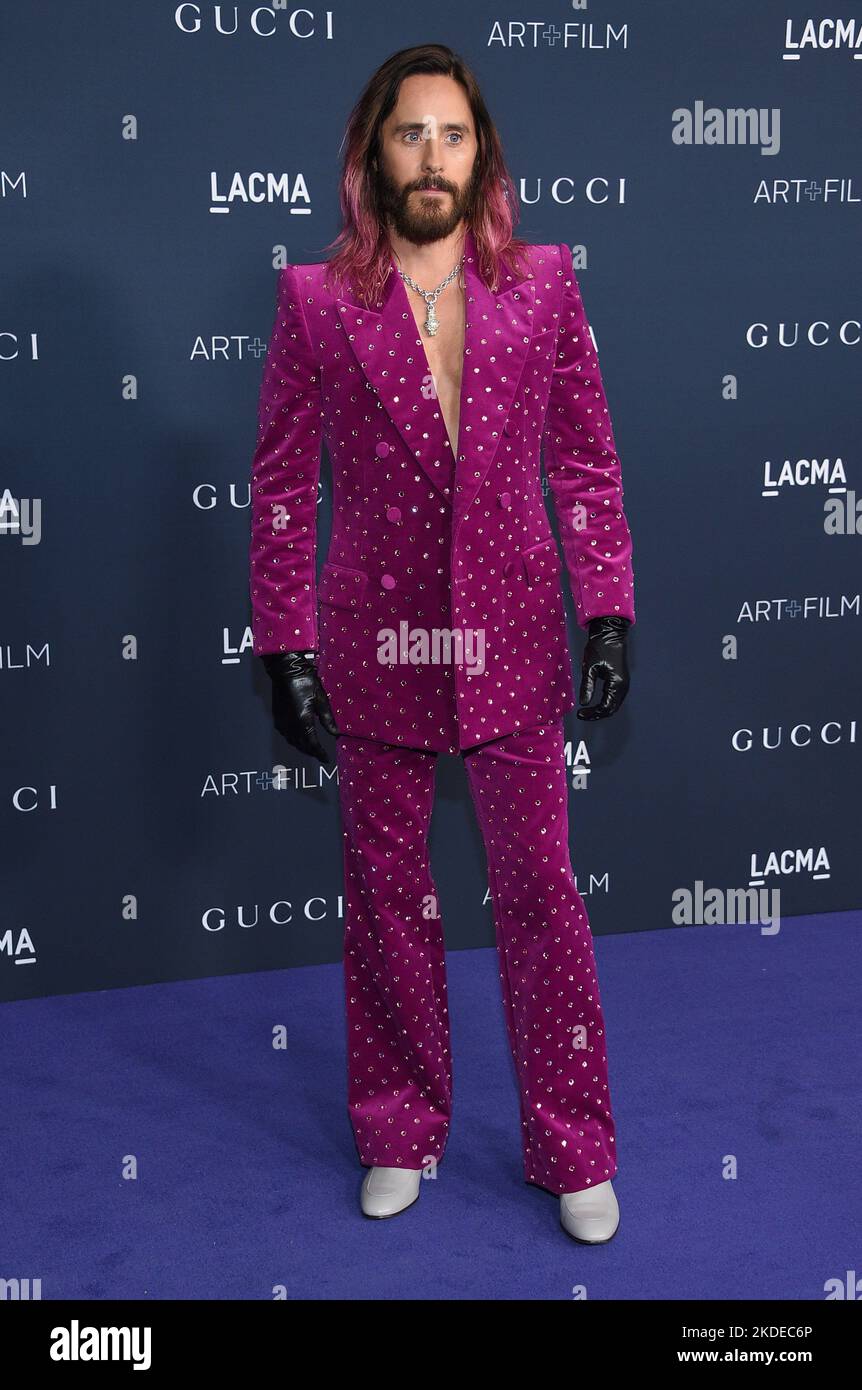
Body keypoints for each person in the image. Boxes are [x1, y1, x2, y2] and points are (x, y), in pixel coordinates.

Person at [249, 43, 635, 1243]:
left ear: (482, 153)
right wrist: (283, 642)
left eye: (452, 134)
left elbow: (583, 459)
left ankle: (572, 1143)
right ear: (375, 155)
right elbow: (278, 487)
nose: (432, 155)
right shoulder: (317, 299)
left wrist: (607, 606)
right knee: (386, 898)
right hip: (378, 642)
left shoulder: (547, 283)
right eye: (410, 133)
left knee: (539, 898)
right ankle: (397, 1124)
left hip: (515, 629)